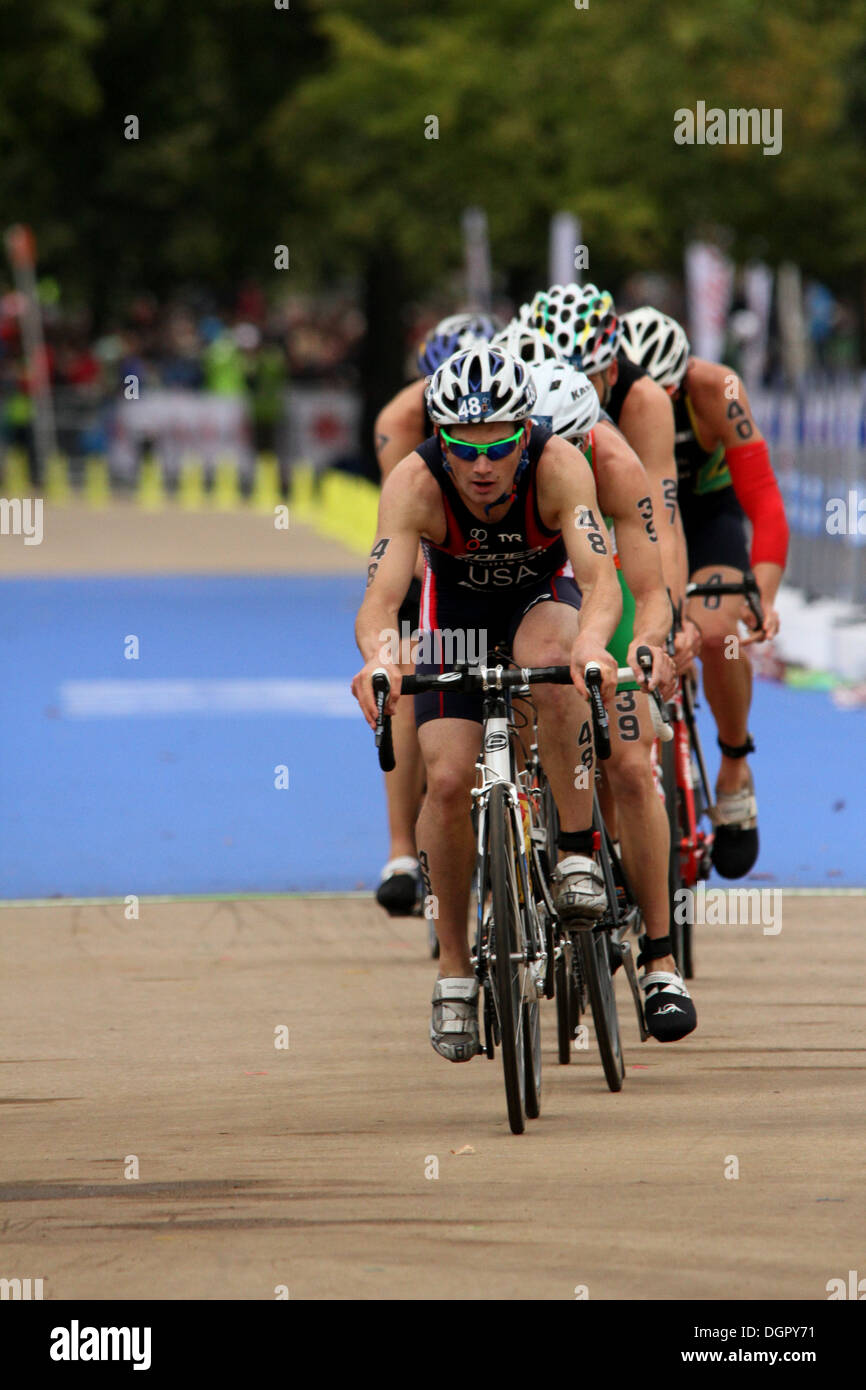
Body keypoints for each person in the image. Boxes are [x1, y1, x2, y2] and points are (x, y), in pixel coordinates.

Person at [355, 343, 633, 1062]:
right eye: (462, 448)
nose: (482, 467)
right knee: (446, 780)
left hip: (541, 602)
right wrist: (382, 662)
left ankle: (574, 851)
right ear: (439, 441)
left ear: (526, 433)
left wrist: (596, 645)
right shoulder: (415, 483)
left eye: (499, 447)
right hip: (457, 618)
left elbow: (602, 581)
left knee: (558, 660)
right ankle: (453, 973)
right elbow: (383, 601)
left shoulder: (560, 464)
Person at [531, 357, 695, 1038]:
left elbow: (651, 590)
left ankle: (660, 957)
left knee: (629, 761)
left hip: (611, 594)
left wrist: (650, 644)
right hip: (539, 594)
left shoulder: (618, 464)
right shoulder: (499, 466)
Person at [619, 307, 789, 876]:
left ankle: (735, 759)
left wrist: (759, 594)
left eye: (666, 397)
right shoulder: (604, 392)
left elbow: (764, 501)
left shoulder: (718, 388)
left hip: (706, 515)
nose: (655, 410)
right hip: (635, 515)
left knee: (720, 637)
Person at [370, 312, 500, 914]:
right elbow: (404, 526)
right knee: (402, 668)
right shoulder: (399, 423)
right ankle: (401, 847)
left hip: (504, 557)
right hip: (430, 556)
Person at [529, 284, 698, 676]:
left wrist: (668, 626)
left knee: (629, 715)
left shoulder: (641, 406)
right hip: (536, 549)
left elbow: (662, 523)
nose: (570, 384)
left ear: (611, 370)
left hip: (610, 531)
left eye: (585, 376)